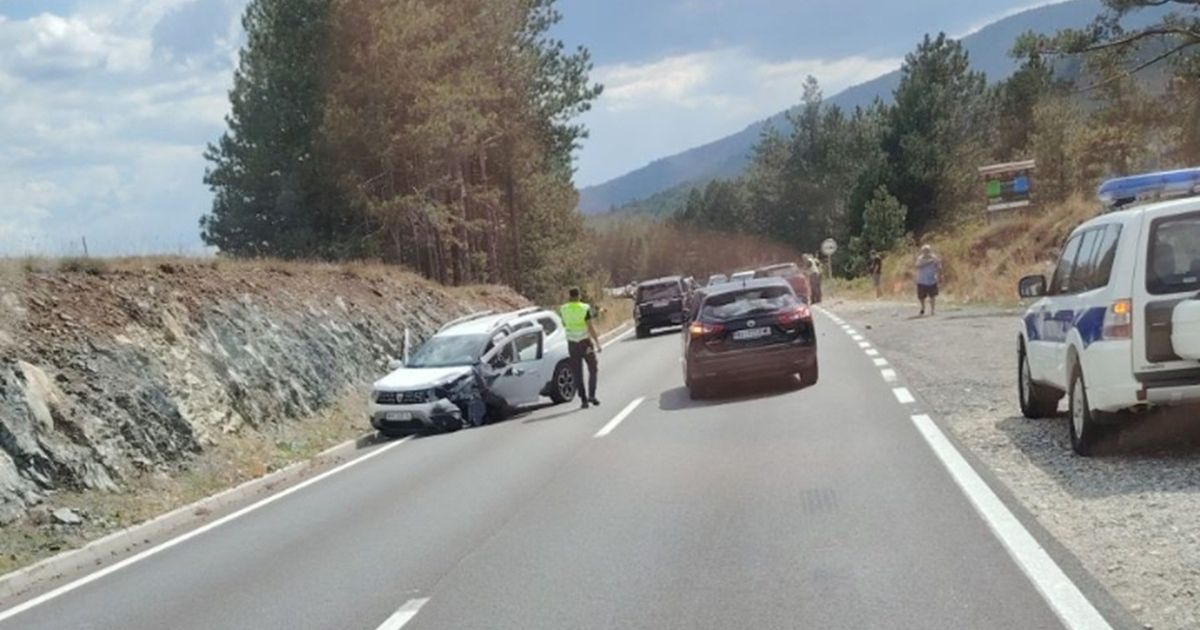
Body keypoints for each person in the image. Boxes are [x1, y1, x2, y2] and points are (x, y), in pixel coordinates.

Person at [560, 288, 602, 409]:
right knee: (593, 368)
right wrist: (597, 343)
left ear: (569, 296)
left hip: (572, 344)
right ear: (579, 296)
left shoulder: (563, 309)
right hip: (585, 343)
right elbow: (590, 326)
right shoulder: (584, 308)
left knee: (577, 372)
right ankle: (592, 395)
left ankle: (583, 400)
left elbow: (564, 323)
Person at [915, 245, 942, 316]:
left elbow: (939, 267)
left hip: (931, 280)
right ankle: (923, 308)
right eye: (924, 250)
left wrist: (938, 274)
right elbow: (917, 266)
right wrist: (927, 262)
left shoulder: (934, 258)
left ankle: (932, 310)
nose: (926, 252)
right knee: (921, 297)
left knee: (932, 296)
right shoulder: (920, 258)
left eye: (927, 250)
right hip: (921, 280)